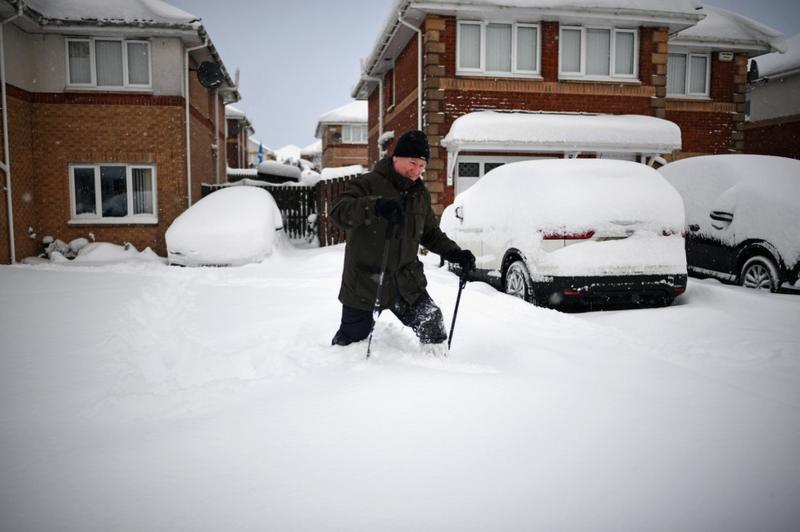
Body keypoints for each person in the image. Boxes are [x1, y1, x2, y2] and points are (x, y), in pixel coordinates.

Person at [329, 130, 476, 354]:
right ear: (396, 157)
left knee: (432, 325)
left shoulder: (420, 195)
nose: (417, 171)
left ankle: (439, 377)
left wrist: (455, 253)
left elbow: (430, 233)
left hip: (405, 282)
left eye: (422, 166)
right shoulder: (367, 183)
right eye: (413, 163)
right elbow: (338, 212)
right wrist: (375, 206)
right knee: (351, 342)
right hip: (366, 282)